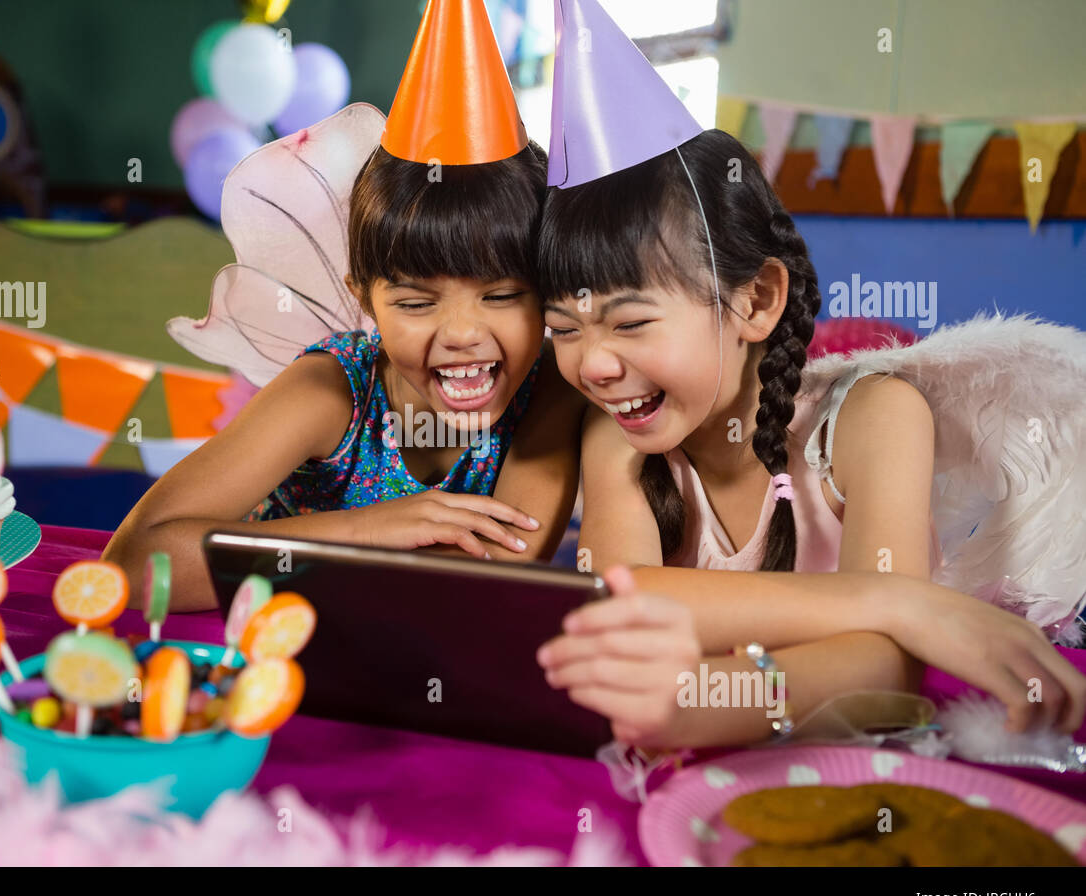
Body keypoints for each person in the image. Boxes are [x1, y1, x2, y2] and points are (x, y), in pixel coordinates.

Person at [535, 0, 1086, 749]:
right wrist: (897, 605)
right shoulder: (620, 439)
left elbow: (883, 677)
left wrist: (703, 701)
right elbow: (620, 598)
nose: (593, 364)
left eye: (631, 323)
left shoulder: (873, 419)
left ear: (756, 299)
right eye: (562, 329)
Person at [105, 0, 585, 611]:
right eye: (415, 303)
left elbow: (486, 576)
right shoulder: (333, 391)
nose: (462, 333)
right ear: (365, 298)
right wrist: (368, 531)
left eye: (502, 296)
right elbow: (137, 566)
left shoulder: (552, 386)